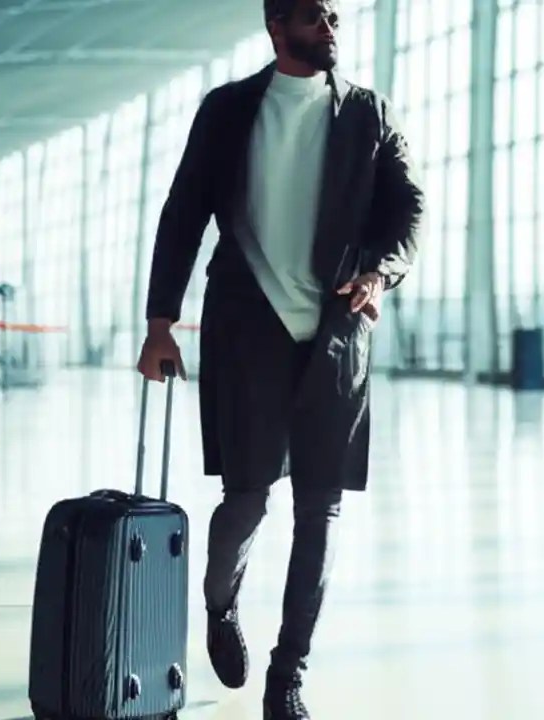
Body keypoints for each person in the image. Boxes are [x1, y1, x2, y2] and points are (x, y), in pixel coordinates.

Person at [137, 0, 423, 717]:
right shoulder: (229, 110)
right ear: (277, 26)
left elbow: (408, 209)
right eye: (314, 17)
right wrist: (160, 323)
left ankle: (288, 673)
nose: (330, 28)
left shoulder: (369, 114)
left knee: (320, 507)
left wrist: (381, 272)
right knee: (247, 496)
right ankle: (220, 603)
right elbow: (184, 212)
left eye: (335, 16)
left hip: (338, 329)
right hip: (248, 325)